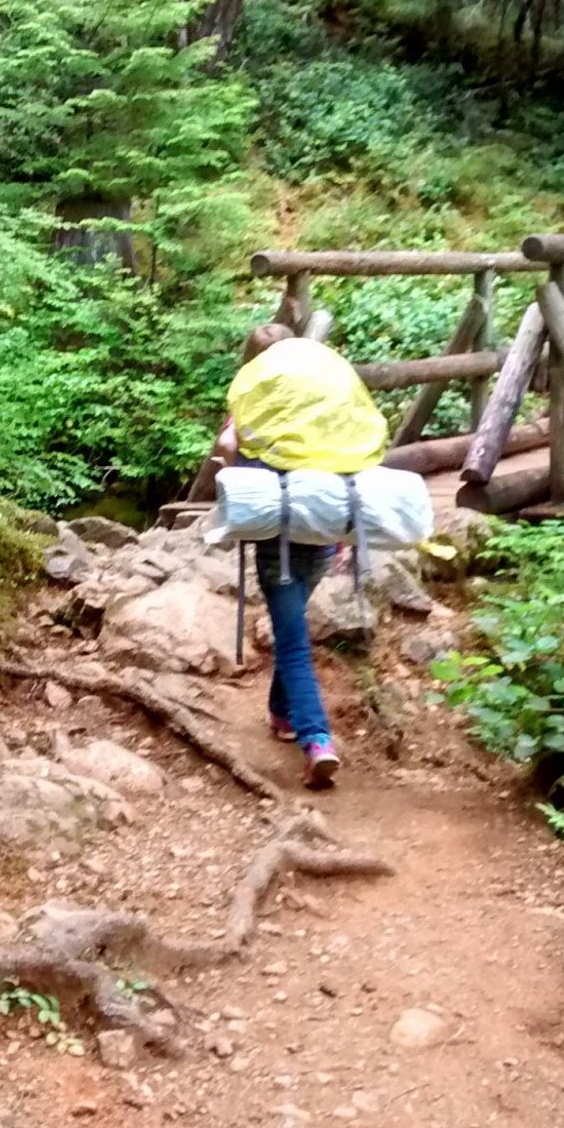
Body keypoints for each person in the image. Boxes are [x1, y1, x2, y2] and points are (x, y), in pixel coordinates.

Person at [212, 322, 389, 790]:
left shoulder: (253, 403)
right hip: (323, 536)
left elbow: (227, 448)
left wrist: (233, 460)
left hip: (279, 541)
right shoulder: (320, 407)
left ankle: (317, 741)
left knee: (292, 642)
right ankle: (281, 713)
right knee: (290, 628)